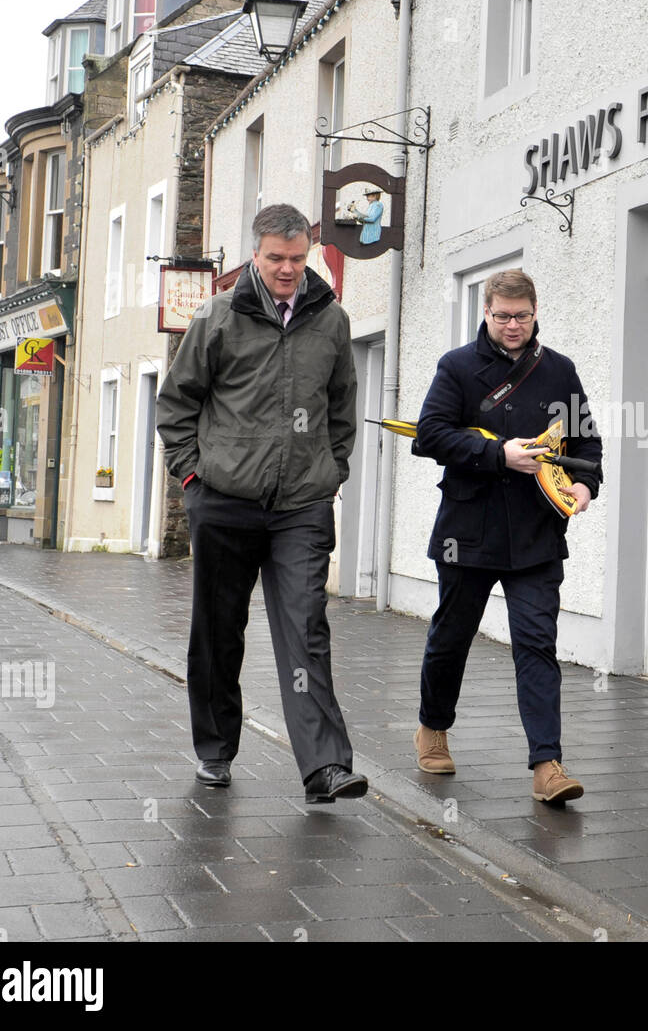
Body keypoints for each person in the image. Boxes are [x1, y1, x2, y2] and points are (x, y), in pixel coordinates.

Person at [156, 203, 367, 804]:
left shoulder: (332, 322)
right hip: (223, 501)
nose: (287, 269)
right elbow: (177, 405)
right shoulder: (218, 316)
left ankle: (325, 766)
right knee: (219, 630)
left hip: (302, 504)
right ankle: (216, 750)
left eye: (298, 259)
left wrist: (331, 472)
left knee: (307, 626)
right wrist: (193, 479)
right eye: (276, 258)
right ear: (256, 253)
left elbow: (341, 408)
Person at [411, 269, 602, 803]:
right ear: (486, 313)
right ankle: (432, 726)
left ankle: (547, 764)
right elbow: (430, 435)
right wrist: (498, 454)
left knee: (537, 644)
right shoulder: (457, 367)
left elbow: (588, 444)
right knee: (452, 636)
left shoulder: (559, 370)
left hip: (538, 532)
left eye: (521, 316)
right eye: (502, 316)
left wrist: (586, 486)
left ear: (535, 312)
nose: (512, 325)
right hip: (467, 531)